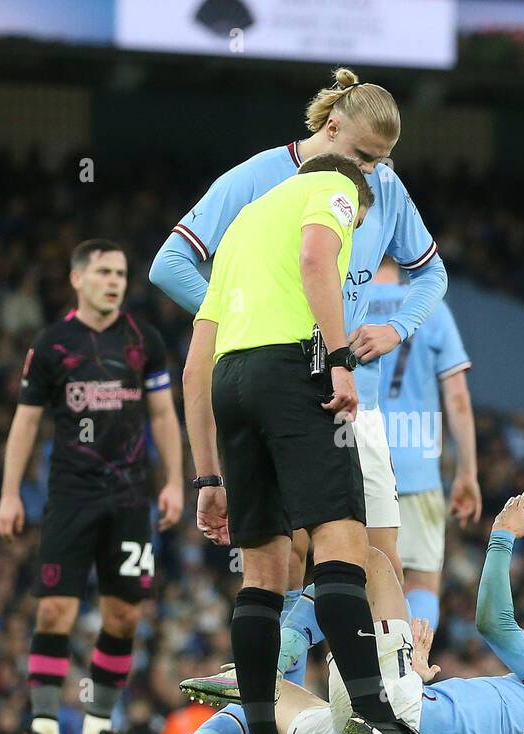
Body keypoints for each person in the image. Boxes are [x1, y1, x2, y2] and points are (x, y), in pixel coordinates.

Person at [180, 151, 443, 734]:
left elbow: (195, 363)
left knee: (264, 574)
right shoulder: (335, 187)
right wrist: (340, 358)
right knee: (341, 544)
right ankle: (380, 721)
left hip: (232, 384)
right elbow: (316, 258)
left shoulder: (244, 224)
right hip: (295, 375)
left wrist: (208, 478)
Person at [97, 494, 524, 734]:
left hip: (397, 719)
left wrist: (502, 540)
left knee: (369, 560)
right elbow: (484, 732)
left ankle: (280, 650)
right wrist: (419, 673)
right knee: (273, 700)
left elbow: (494, 624)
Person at [150, 66, 446, 593]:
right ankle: (272, 671)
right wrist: (242, 319)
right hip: (282, 381)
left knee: (378, 559)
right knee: (287, 553)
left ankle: (379, 674)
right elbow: (170, 263)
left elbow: (432, 273)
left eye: (381, 159)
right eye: (363, 156)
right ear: (331, 127)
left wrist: (397, 328)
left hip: (350, 389)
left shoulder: (385, 186)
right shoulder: (258, 177)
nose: (371, 170)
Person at [0, 239, 184, 734]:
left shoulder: (145, 341)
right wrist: (10, 494)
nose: (115, 281)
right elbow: (26, 420)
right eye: (103, 272)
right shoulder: (53, 344)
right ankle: (44, 730)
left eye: (120, 272)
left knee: (124, 614)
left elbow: (164, 415)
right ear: (78, 278)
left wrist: (173, 482)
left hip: (129, 500)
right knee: (54, 609)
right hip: (71, 496)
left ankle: (100, 728)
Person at [373, 256, 480, 630]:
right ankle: (410, 673)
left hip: (356, 460)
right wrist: (467, 472)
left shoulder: (343, 301)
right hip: (417, 467)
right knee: (420, 581)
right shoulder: (431, 306)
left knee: (358, 579)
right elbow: (458, 399)